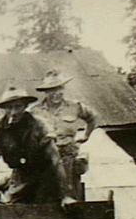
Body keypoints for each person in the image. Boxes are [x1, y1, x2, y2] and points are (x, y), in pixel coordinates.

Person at [0, 86, 76, 211]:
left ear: (25, 106)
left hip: (44, 173)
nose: (13, 112)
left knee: (46, 208)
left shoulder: (39, 124)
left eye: (18, 106)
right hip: (20, 176)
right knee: (14, 210)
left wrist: (66, 195)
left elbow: (55, 159)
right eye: (9, 107)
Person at [30, 70, 98, 200]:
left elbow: (92, 117)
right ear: (45, 92)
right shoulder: (34, 110)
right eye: (51, 90)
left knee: (71, 195)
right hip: (44, 159)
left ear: (64, 88)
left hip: (68, 158)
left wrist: (85, 135)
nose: (56, 93)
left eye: (59, 88)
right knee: (43, 195)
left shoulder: (75, 106)